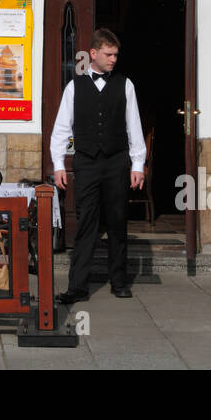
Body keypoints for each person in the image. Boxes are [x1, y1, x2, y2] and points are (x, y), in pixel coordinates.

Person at [49, 28, 146, 303]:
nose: (114, 59)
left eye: (116, 55)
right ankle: (77, 286)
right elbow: (61, 129)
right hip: (87, 163)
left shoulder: (125, 85)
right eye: (109, 54)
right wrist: (58, 164)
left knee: (117, 222)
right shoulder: (74, 86)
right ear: (93, 53)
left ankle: (119, 282)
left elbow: (134, 126)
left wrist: (137, 163)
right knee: (86, 224)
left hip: (117, 162)